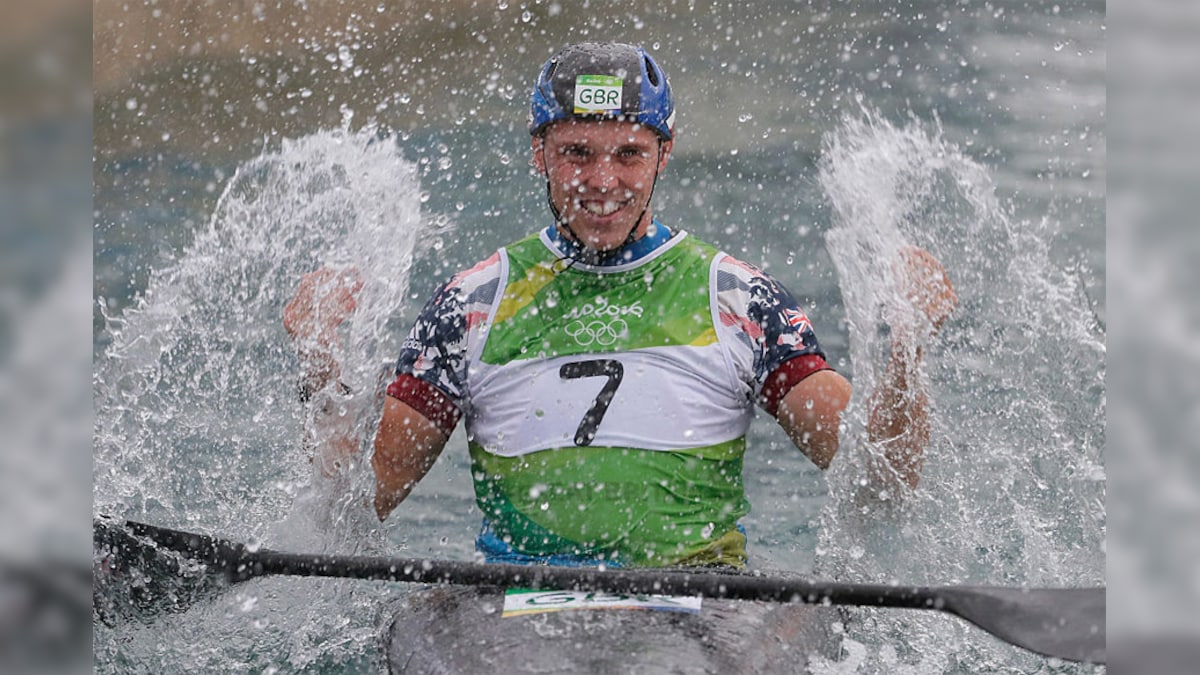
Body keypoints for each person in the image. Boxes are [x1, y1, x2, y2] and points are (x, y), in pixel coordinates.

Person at [283, 42, 957, 569]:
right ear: (538, 153)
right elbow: (362, 500)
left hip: (702, 597)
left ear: (663, 155)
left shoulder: (740, 299)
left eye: (628, 155)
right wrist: (320, 363)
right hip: (517, 595)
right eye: (576, 152)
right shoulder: (469, 304)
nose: (601, 182)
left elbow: (881, 480)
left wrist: (908, 350)